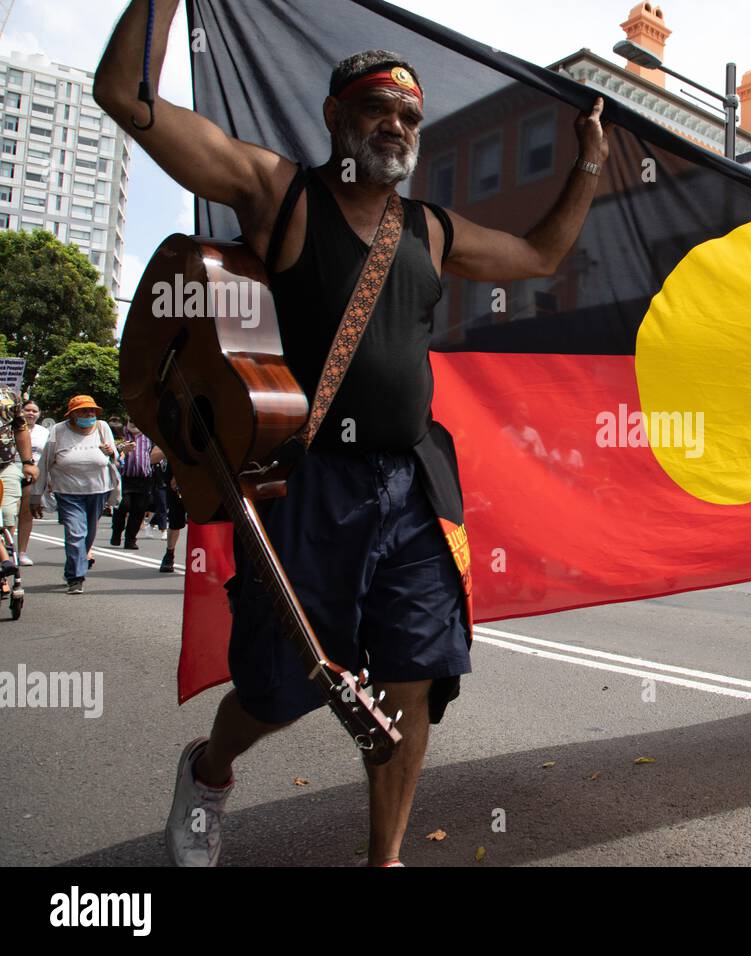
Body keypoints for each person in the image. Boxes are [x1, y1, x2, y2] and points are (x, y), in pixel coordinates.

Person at [97, 0, 607, 867]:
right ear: (337, 117)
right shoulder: (278, 191)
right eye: (378, 108)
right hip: (305, 485)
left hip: (415, 484)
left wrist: (588, 167)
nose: (398, 124)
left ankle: (385, 860)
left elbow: (540, 257)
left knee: (413, 675)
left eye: (410, 114)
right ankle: (211, 771)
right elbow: (126, 96)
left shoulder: (433, 229)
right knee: (276, 687)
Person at [29, 396, 120, 594]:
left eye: (92, 411)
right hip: (67, 492)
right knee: (76, 532)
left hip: (98, 490)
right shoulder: (58, 431)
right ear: (72, 414)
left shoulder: (103, 427)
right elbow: (44, 463)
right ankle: (75, 578)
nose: (89, 415)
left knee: (88, 535)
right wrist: (36, 496)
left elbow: (115, 457)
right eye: (84, 411)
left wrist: (111, 452)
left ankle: (75, 566)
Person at [0, 387, 38, 591]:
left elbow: (20, 429)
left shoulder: (9, 395)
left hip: (4, 467)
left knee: (6, 515)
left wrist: (28, 462)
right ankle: (5, 561)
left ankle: (5, 563)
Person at [110, 419, 154, 550]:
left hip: (143, 478)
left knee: (139, 510)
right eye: (132, 419)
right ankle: (117, 532)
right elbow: (112, 450)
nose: (134, 422)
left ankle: (131, 540)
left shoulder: (149, 435)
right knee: (123, 506)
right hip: (124, 477)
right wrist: (122, 448)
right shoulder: (121, 434)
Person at [17, 400, 49, 566]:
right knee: (7, 516)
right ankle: (6, 551)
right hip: (12, 472)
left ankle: (22, 552)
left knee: (26, 514)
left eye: (34, 411)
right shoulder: (11, 428)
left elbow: (49, 456)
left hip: (33, 477)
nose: (30, 413)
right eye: (27, 410)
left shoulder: (44, 432)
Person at [149, 445, 186, 574]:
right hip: (175, 485)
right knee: (176, 522)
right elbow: (152, 457)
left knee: (204, 523)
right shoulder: (171, 433)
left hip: (198, 481)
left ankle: (207, 558)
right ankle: (169, 554)